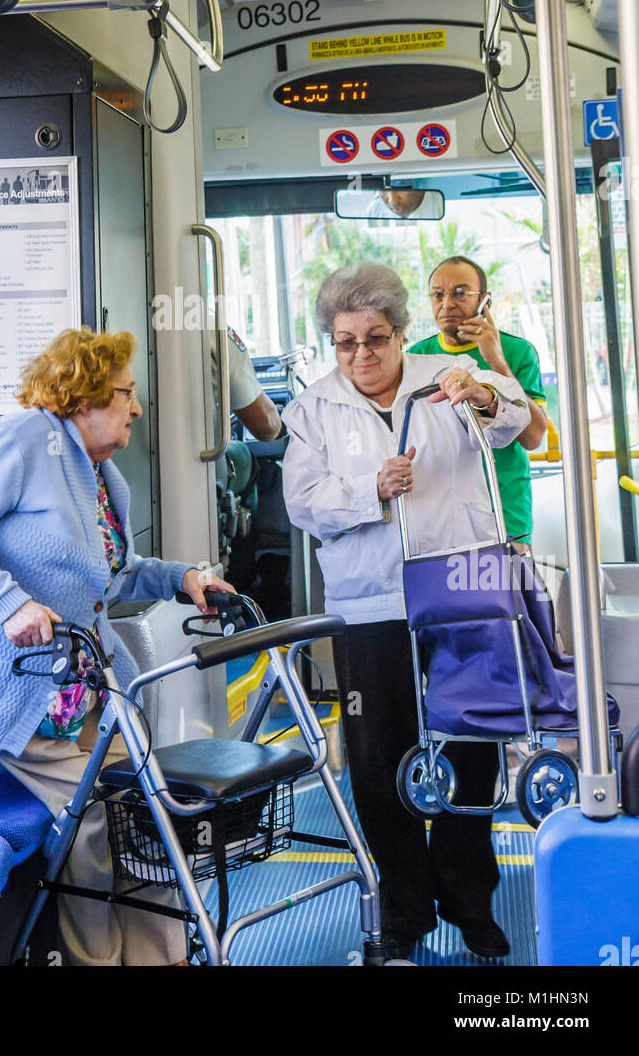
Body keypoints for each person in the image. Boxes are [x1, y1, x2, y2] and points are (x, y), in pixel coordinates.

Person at [0, 326, 236, 966]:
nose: (136, 408)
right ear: (84, 396)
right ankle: (95, 960)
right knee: (94, 813)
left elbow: (110, 571)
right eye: (125, 394)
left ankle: (162, 957)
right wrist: (9, 604)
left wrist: (182, 578)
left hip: (77, 681)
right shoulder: (22, 439)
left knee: (145, 803)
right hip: (9, 680)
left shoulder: (97, 473)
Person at [281, 263, 528, 960]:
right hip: (369, 605)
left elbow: (517, 421)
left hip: (460, 587)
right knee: (378, 759)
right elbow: (305, 505)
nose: (361, 356)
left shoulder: (445, 376)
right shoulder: (312, 409)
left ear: (401, 334)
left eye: (376, 339)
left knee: (474, 746)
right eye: (345, 342)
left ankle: (471, 902)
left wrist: (479, 390)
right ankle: (404, 912)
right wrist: (372, 489)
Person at [408, 255, 548, 552]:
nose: (447, 304)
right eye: (438, 294)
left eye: (460, 293)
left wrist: (497, 361)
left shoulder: (518, 351)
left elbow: (534, 437)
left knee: (508, 594)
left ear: (485, 301)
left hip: (505, 512)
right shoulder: (417, 357)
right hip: (440, 517)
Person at [209, 316, 283, 441]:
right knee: (242, 453)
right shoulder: (211, 328)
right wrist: (283, 422)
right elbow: (266, 427)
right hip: (197, 455)